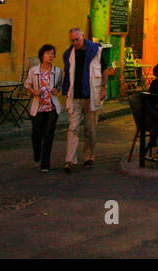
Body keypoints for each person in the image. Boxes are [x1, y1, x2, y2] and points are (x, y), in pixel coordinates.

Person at [59, 27, 114, 173]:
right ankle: (69, 160)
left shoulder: (96, 51)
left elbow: (104, 69)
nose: (75, 42)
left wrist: (103, 88)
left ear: (83, 36)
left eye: (77, 39)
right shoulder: (68, 54)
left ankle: (89, 155)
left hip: (91, 95)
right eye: (72, 40)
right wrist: (65, 92)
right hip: (75, 96)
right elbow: (67, 74)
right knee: (73, 128)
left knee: (90, 129)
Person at [26, 43, 63, 171]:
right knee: (36, 135)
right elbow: (27, 84)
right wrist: (33, 91)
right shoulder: (34, 71)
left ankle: (45, 164)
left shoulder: (57, 71)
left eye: (52, 54)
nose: (50, 56)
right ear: (42, 56)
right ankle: (37, 157)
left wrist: (56, 90)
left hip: (52, 108)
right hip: (38, 108)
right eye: (48, 54)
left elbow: (59, 86)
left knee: (49, 135)